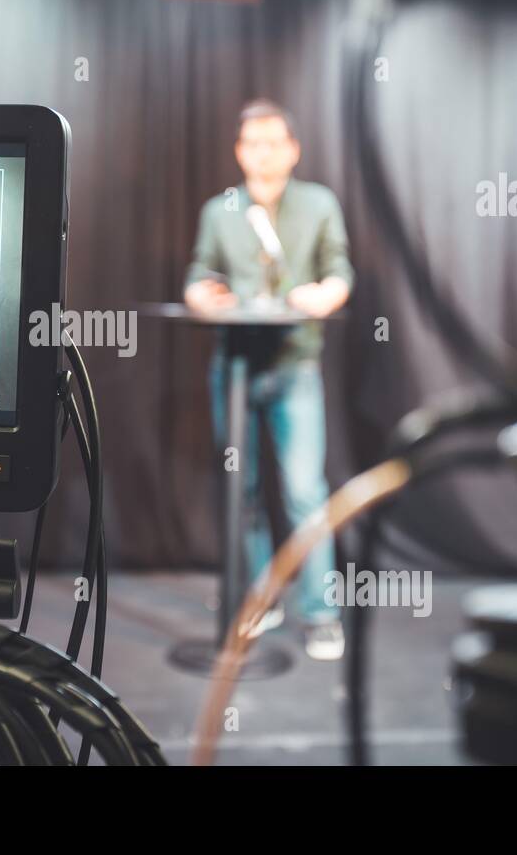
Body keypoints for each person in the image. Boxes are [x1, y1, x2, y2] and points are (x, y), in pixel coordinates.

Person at [184, 99, 354, 660]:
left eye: (274, 142)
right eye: (253, 143)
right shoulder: (219, 210)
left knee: (306, 491)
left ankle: (321, 613)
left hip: (295, 364)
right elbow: (198, 275)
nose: (263, 153)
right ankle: (260, 598)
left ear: (293, 149)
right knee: (244, 491)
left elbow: (339, 271)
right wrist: (202, 297)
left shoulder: (318, 203)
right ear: (239, 151)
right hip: (233, 368)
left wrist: (325, 296)